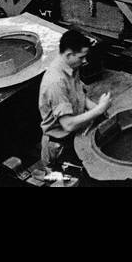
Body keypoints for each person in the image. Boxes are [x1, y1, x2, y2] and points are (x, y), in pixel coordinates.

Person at [39, 28, 111, 170]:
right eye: (81, 57)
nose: (85, 61)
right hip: (60, 144)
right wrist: (99, 109)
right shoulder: (55, 83)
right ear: (69, 54)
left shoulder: (71, 66)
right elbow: (68, 124)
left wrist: (99, 111)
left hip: (75, 134)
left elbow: (80, 96)